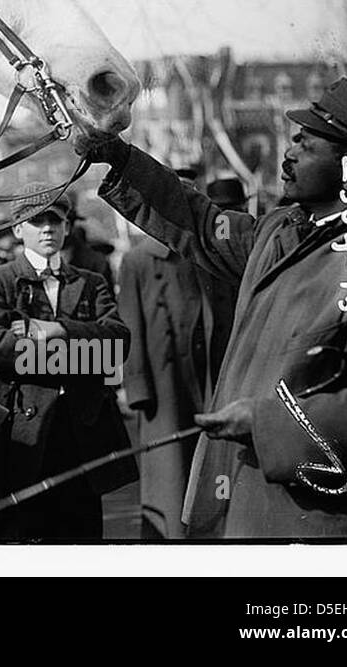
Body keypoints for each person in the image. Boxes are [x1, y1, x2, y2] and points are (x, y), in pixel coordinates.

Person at [81, 77, 347, 538]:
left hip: (307, 516)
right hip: (239, 497)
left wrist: (269, 423)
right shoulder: (279, 232)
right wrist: (119, 157)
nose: (289, 153)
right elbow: (201, 222)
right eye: (294, 139)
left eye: (308, 145)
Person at [0, 183, 134, 541]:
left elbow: (118, 345)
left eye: (56, 221)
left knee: (82, 536)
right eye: (36, 221)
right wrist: (81, 355)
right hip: (20, 432)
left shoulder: (90, 281)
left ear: (67, 227)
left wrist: (57, 329)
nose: (47, 228)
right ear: (18, 229)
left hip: (81, 431)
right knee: (17, 536)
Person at [118, 177, 240, 539]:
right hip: (164, 382)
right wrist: (137, 387)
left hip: (211, 374)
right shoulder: (138, 259)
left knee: (213, 464)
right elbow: (130, 326)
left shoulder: (208, 254)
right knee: (170, 472)